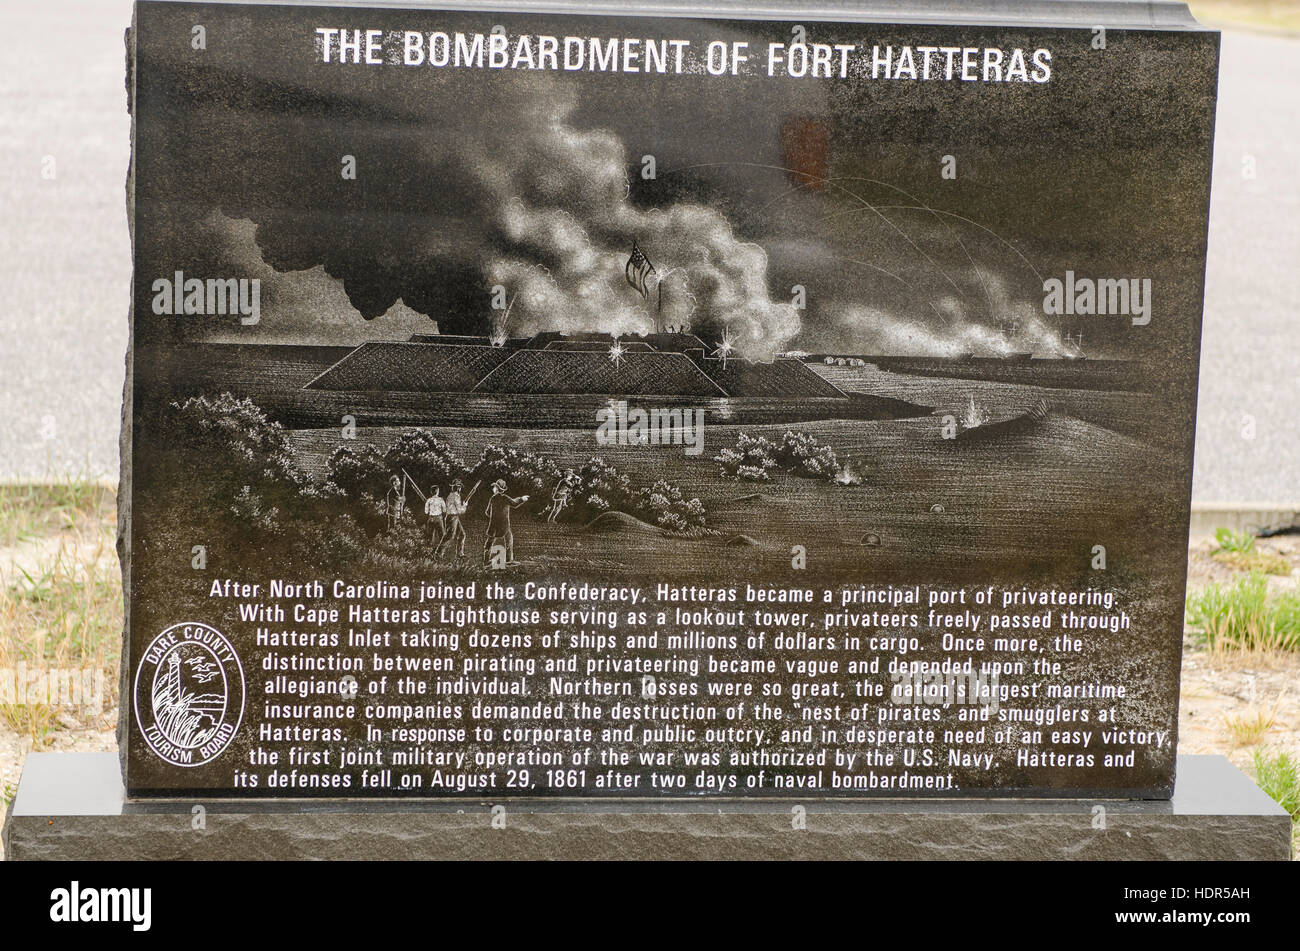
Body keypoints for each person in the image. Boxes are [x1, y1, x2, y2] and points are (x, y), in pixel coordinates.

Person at [483, 479, 528, 566]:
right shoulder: (505, 498)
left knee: (489, 542)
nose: (493, 488)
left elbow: (487, 512)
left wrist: (494, 517)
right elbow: (514, 503)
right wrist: (522, 499)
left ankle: (486, 561)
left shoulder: (492, 498)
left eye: (494, 487)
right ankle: (509, 560)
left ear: (497, 489)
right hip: (504, 525)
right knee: (509, 540)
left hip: (493, 525)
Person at [437, 478, 471, 561]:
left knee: (462, 534)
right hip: (452, 517)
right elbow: (460, 510)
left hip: (453, 517)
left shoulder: (451, 495)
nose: (460, 489)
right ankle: (438, 554)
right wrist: (465, 505)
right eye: (459, 487)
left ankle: (460, 554)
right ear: (458, 487)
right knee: (449, 536)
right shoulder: (455, 496)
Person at [424, 484, 447, 551]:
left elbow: (426, 512)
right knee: (442, 535)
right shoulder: (441, 500)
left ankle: (428, 550)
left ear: (431, 492)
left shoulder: (428, 500)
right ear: (438, 491)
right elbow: (444, 510)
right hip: (439, 519)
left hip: (431, 518)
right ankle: (440, 551)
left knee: (429, 535)